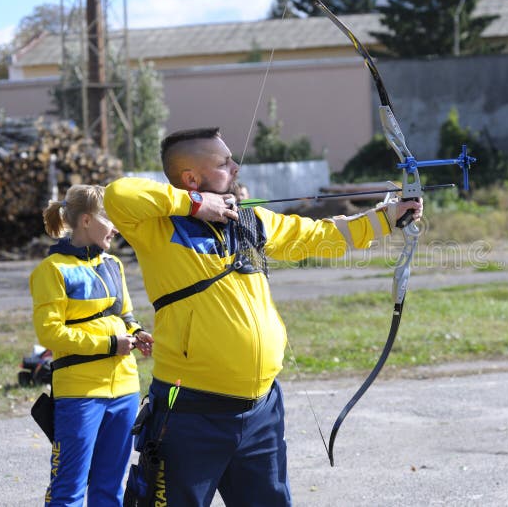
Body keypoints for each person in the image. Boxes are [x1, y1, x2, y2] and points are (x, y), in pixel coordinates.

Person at [104, 127, 422, 507]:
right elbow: (118, 194)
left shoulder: (252, 221)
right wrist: (194, 204)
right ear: (191, 178)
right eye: (223, 163)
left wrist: (388, 217)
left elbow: (319, 235)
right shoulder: (157, 228)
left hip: (260, 411)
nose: (235, 168)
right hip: (189, 410)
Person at [29, 184, 153, 506]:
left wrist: (137, 333)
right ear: (86, 220)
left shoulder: (114, 264)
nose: (115, 227)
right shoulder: (51, 270)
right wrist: (110, 344)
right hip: (80, 394)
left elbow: (124, 313)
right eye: (108, 218)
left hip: (125, 389)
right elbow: (50, 333)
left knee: (110, 488)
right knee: (68, 490)